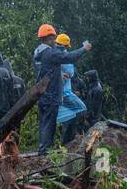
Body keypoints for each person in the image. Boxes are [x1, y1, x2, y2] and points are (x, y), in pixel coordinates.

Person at [33, 23, 92, 153]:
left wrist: (58, 73)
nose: (55, 41)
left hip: (41, 94)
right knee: (49, 125)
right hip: (51, 95)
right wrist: (83, 49)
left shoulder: (38, 53)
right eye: (53, 38)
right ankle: (44, 153)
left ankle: (42, 150)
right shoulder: (49, 53)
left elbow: (44, 71)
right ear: (48, 38)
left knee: (44, 123)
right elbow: (69, 57)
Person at [55, 35, 89, 143]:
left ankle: (67, 141)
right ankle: (77, 136)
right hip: (64, 93)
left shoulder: (55, 53)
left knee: (70, 117)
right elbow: (71, 57)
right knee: (81, 109)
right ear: (64, 45)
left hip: (64, 92)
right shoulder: (61, 55)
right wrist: (84, 49)